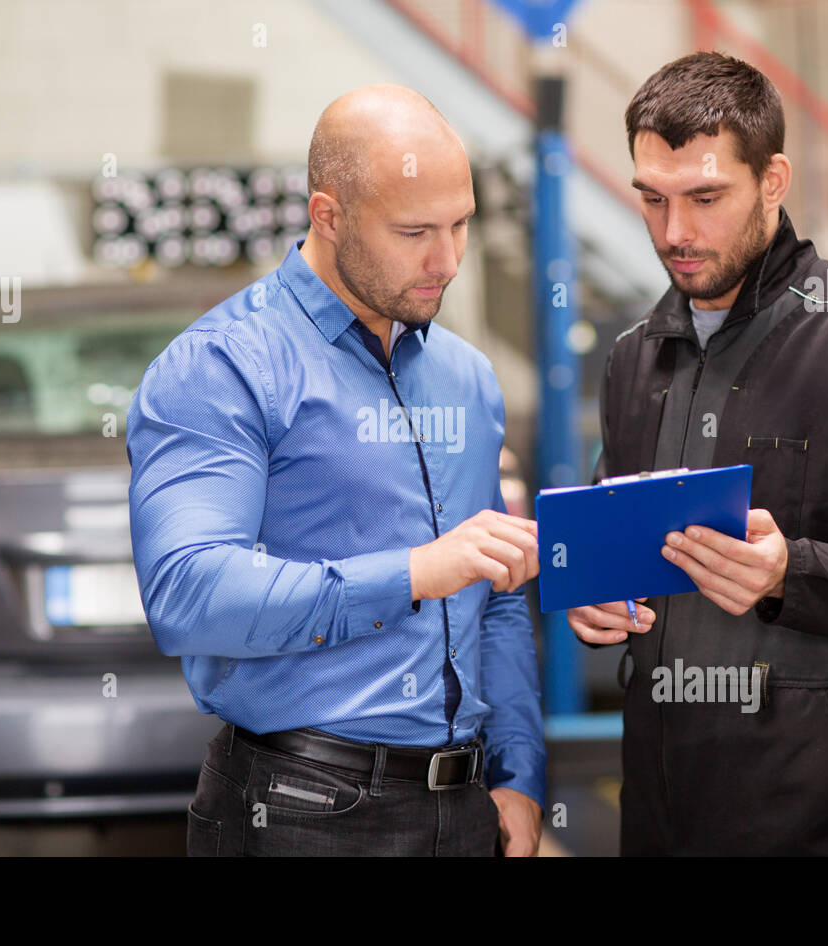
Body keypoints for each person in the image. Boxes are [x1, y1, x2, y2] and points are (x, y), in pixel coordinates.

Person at [568, 52, 828, 855]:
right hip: (657, 798)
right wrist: (596, 604)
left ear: (773, 180)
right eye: (651, 200)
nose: (674, 233)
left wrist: (791, 571)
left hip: (812, 801)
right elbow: (616, 542)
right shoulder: (634, 357)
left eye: (705, 198)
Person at [127, 84, 545, 857]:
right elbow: (188, 593)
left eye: (461, 226)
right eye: (414, 231)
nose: (446, 261)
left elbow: (499, 592)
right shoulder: (224, 367)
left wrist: (519, 773)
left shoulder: (468, 378)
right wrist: (412, 572)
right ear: (328, 215)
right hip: (298, 812)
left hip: (465, 810)